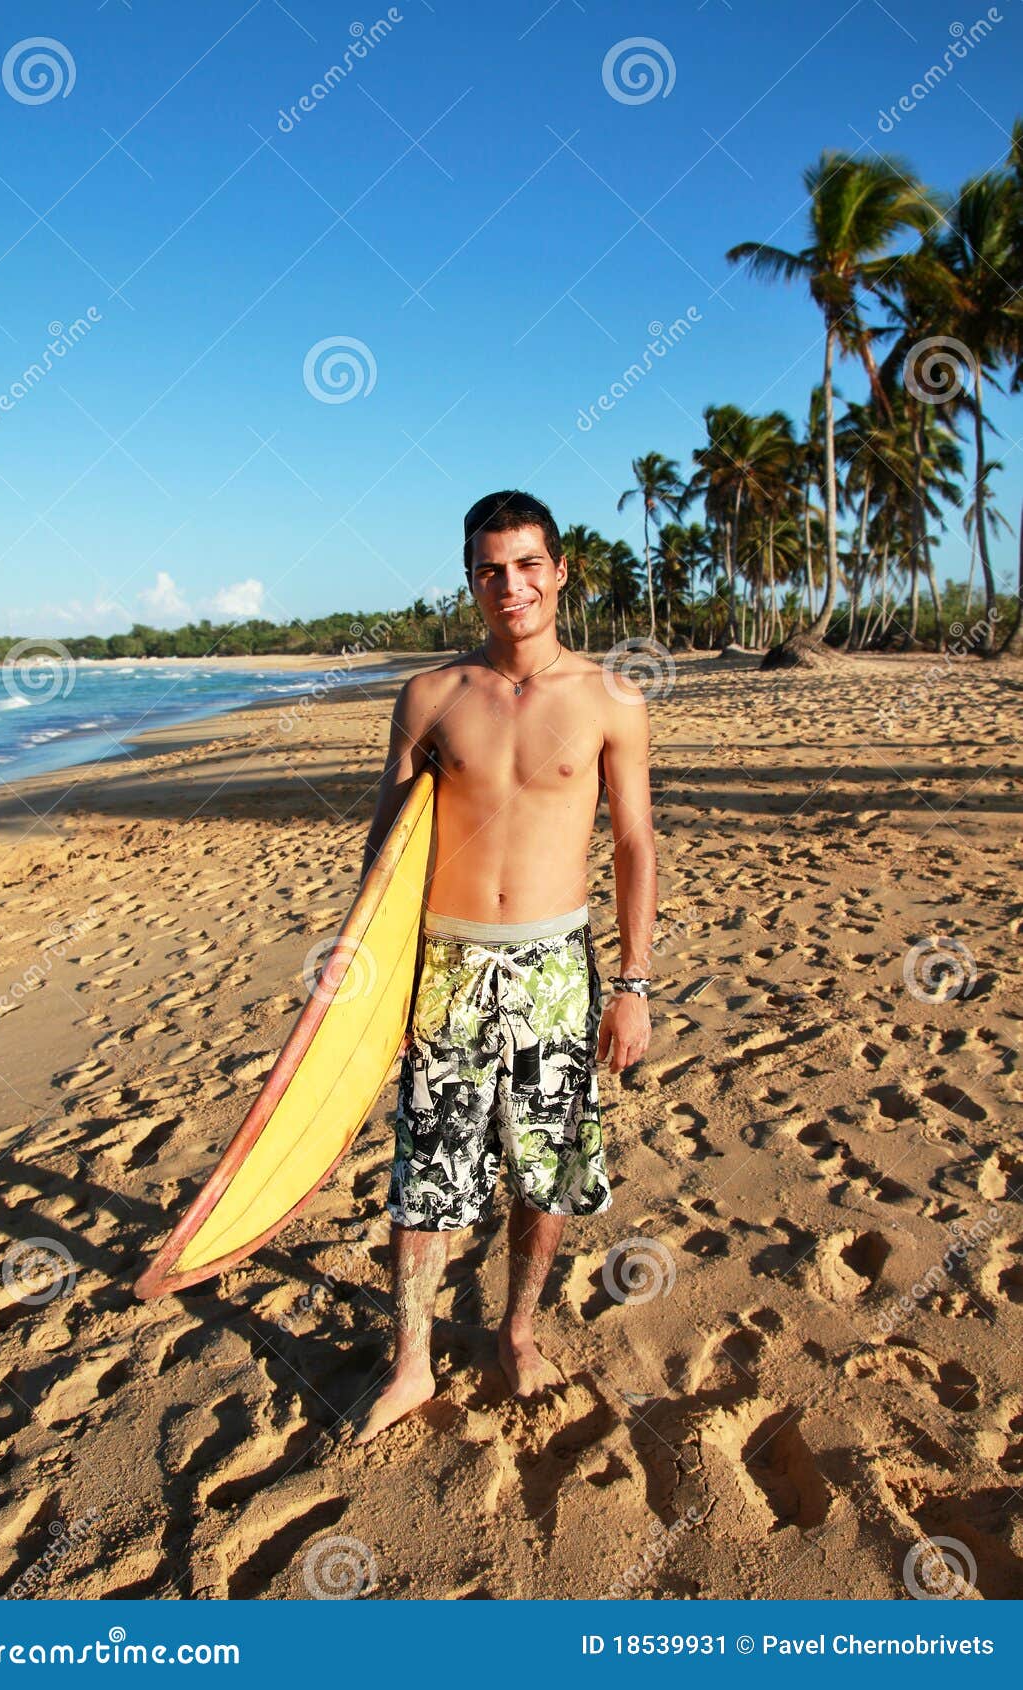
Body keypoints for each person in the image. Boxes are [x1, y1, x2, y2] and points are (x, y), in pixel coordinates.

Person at [353, 490, 656, 1444]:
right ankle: (409, 1363)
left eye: (528, 565)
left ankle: (517, 1332)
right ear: (470, 581)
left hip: (557, 968)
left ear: (561, 572)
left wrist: (634, 986)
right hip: (443, 960)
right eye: (491, 569)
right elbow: (386, 845)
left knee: (547, 1173)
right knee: (424, 1174)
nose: (510, 585)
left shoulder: (610, 699)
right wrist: (370, 977)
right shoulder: (431, 696)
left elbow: (636, 845)